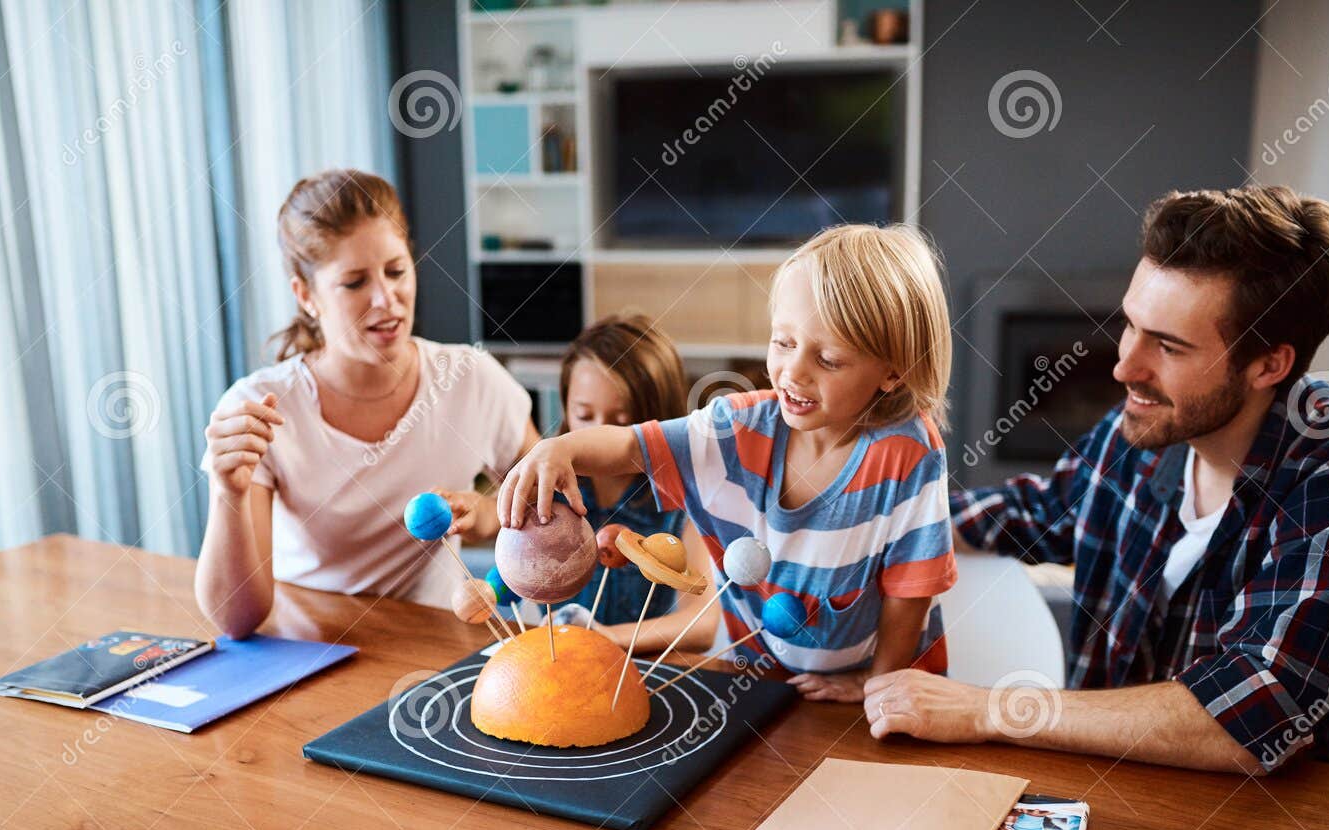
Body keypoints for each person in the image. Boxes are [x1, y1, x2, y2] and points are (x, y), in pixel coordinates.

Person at [865, 185, 1329, 772]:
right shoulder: (1143, 432)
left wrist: (987, 711)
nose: (1125, 366)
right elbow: (1036, 512)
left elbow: (1255, 714)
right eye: (1131, 325)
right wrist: (863, 519)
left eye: (1169, 347)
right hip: (1108, 799)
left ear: (1269, 365)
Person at [499, 224, 958, 701]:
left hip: (877, 679)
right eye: (783, 342)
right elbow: (630, 447)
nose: (793, 372)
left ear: (892, 371)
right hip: (761, 672)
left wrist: (875, 686)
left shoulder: (910, 453)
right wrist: (559, 449)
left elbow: (911, 594)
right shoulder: (734, 429)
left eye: (828, 359)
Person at [195, 170, 538, 636]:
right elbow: (236, 620)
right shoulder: (261, 409)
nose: (387, 298)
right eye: (355, 282)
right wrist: (226, 493)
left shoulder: (470, 379)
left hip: (434, 642)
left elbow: (544, 493)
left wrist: (483, 514)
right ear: (306, 295)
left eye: (397, 271)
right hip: (313, 651)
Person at [543, 313, 718, 653]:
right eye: (583, 415)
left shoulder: (681, 496)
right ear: (565, 404)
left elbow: (703, 623)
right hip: (560, 662)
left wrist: (609, 639)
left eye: (623, 423)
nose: (597, 434)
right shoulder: (552, 488)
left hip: (638, 669)